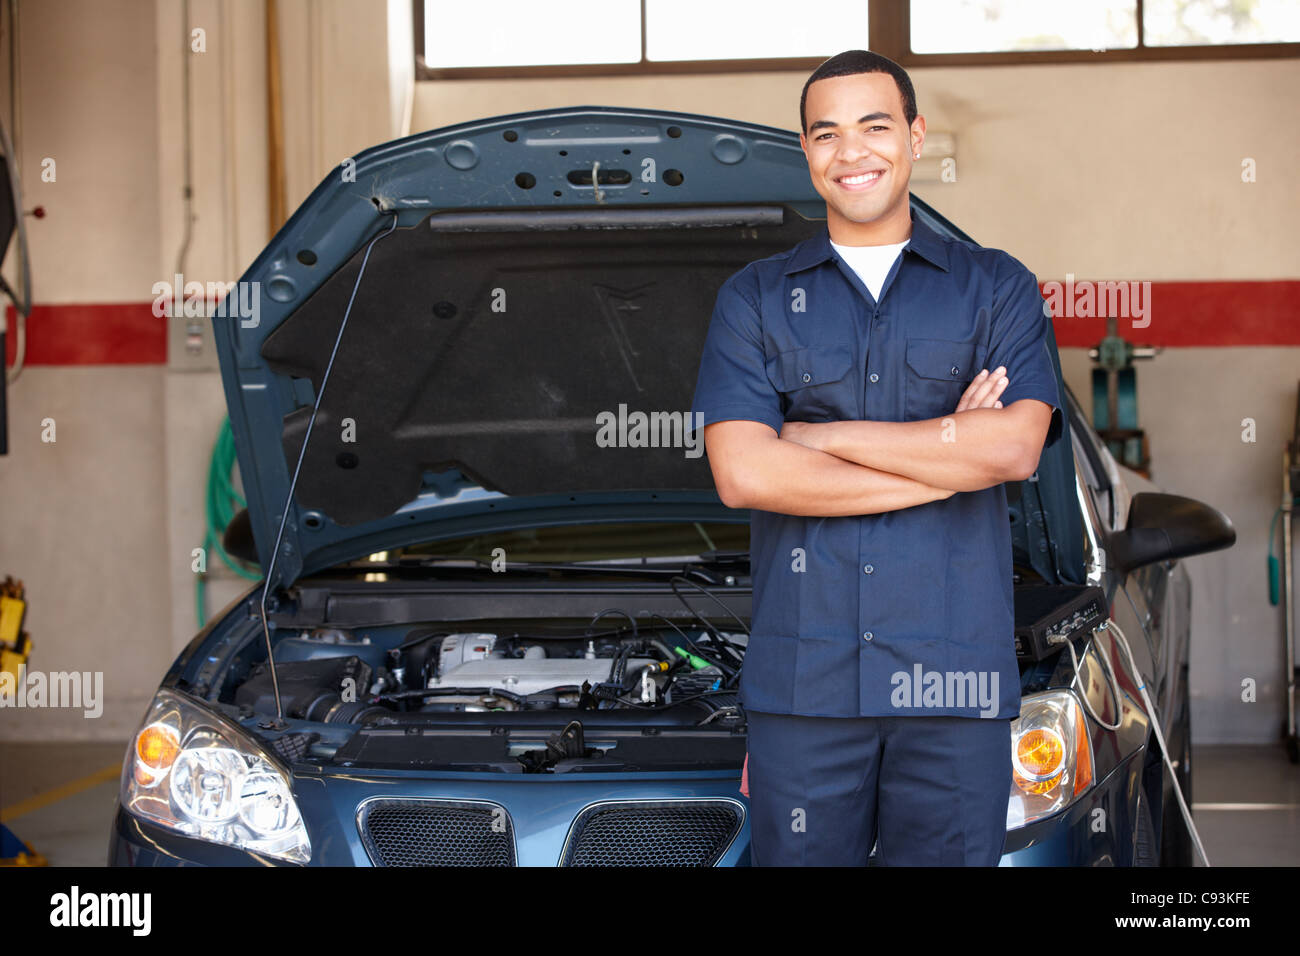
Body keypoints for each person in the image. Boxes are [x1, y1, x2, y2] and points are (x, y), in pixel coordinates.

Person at [690, 49, 1065, 865]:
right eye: (826, 133)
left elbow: (1014, 447)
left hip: (953, 688)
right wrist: (944, 457)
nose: (851, 152)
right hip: (806, 691)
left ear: (916, 136)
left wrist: (820, 437)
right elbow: (745, 473)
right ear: (806, 152)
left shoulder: (995, 287)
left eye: (874, 126)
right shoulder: (753, 297)